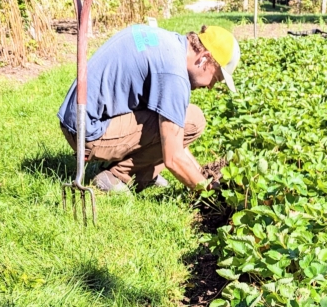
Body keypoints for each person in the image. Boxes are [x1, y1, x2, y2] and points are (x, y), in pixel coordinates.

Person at [58, 23, 239, 193]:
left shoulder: (171, 44)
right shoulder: (174, 74)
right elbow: (173, 156)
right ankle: (117, 176)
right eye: (215, 79)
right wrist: (206, 192)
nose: (210, 87)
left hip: (80, 117)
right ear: (204, 58)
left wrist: (199, 172)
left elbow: (175, 135)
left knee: (178, 119)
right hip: (87, 133)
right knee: (193, 120)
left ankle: (143, 171)